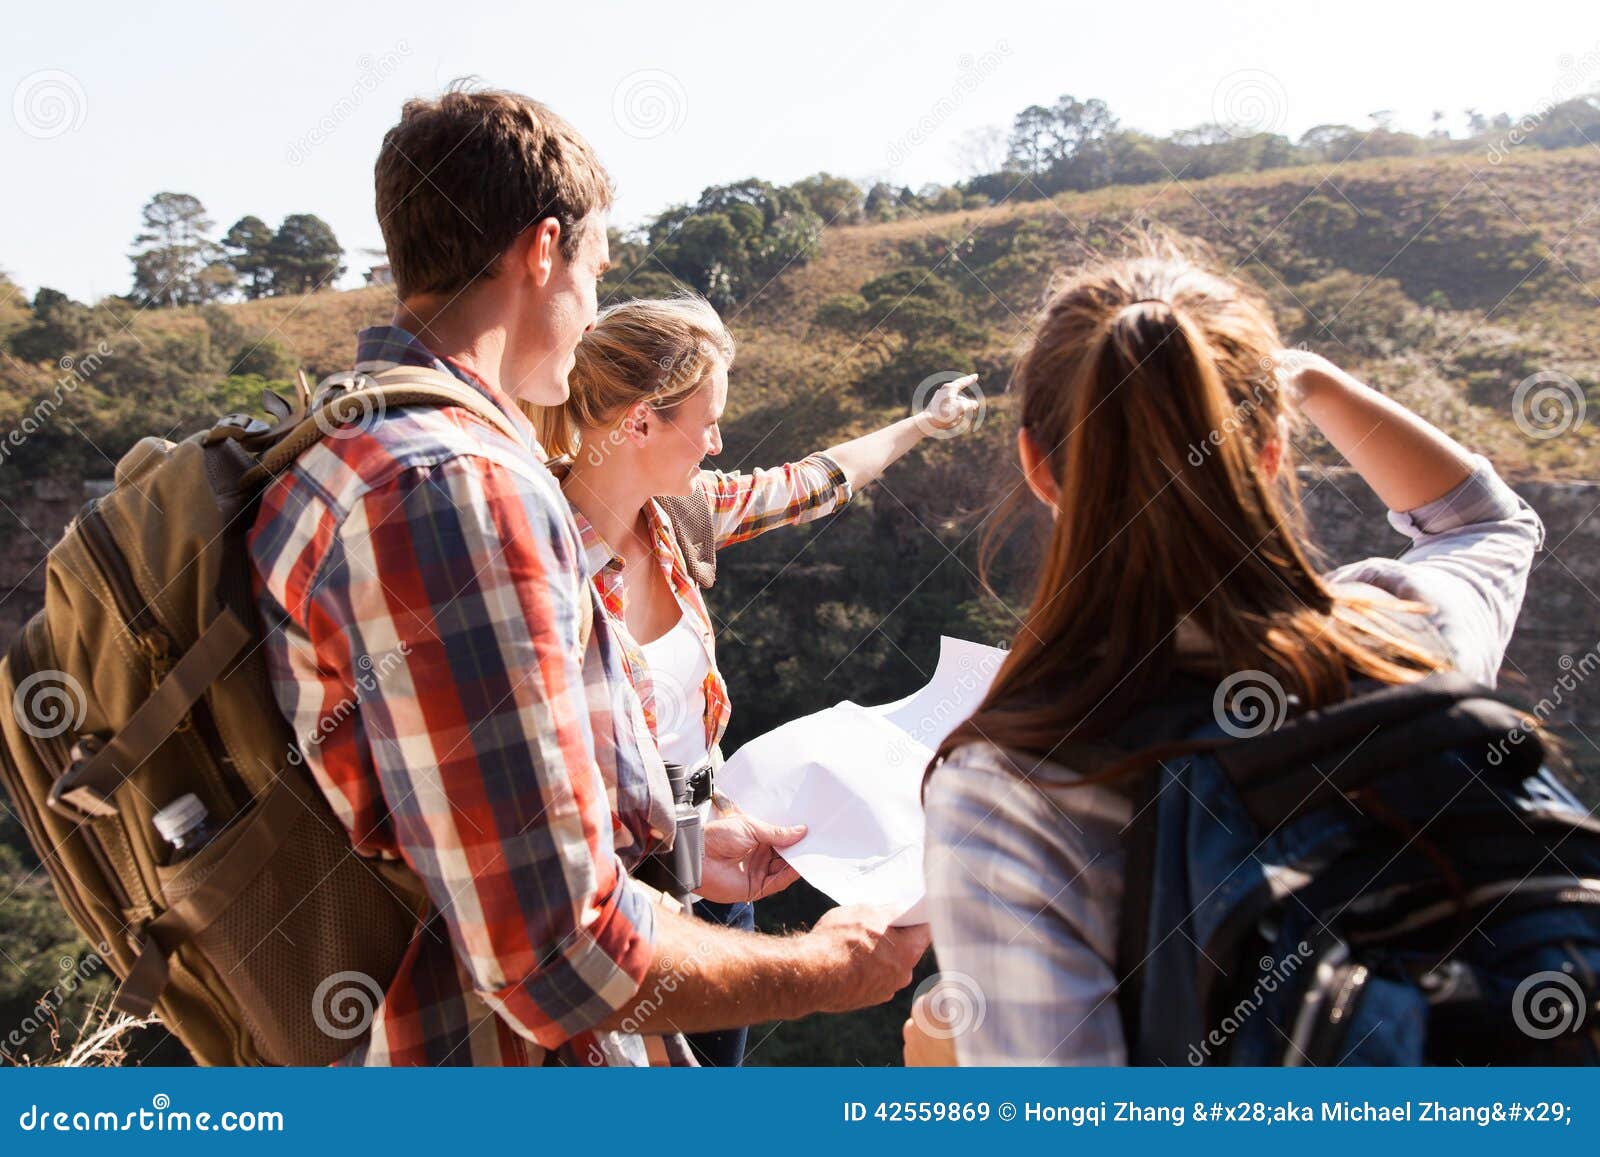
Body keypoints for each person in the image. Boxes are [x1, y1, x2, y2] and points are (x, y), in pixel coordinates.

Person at [249, 85, 927, 1067]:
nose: (592, 309)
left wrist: (685, 835)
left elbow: (466, 799)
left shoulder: (338, 442)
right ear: (542, 250)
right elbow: (558, 957)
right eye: (597, 269)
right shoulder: (462, 491)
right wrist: (831, 968)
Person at [909, 245, 1544, 1065]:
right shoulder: (1406, 633)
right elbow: (1486, 523)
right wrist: (1306, 376)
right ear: (1274, 448)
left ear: (1039, 466)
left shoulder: (1019, 785)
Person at [534, 294, 979, 1064]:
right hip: (622, 913)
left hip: (717, 877)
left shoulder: (678, 514)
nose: (716, 443)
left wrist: (922, 422)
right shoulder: (538, 563)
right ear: (639, 422)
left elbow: (813, 481)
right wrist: (680, 842)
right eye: (705, 422)